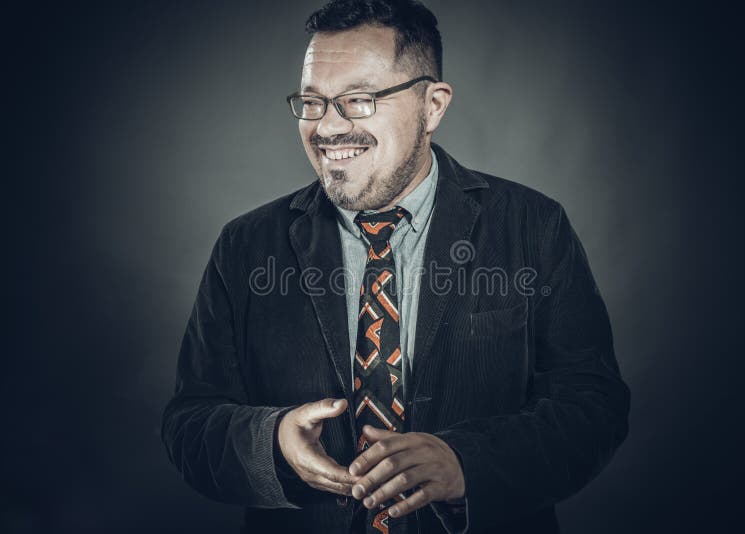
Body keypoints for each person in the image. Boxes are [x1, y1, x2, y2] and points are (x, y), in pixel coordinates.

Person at [161, 1, 631, 533]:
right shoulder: (244, 245)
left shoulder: (533, 226)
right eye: (312, 102)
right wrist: (271, 443)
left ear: (432, 106)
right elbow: (189, 424)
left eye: (358, 100)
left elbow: (594, 406)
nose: (327, 127)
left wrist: (467, 463)